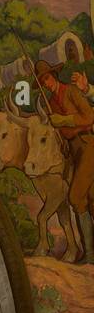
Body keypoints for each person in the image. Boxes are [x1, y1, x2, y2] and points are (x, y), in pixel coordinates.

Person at [37, 59, 94, 260]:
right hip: (72, 151)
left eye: (47, 78)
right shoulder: (51, 103)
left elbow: (89, 117)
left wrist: (65, 120)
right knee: (89, 199)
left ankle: (89, 254)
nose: (46, 83)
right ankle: (90, 254)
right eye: (42, 81)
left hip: (88, 144)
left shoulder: (71, 91)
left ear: (54, 76)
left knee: (76, 197)